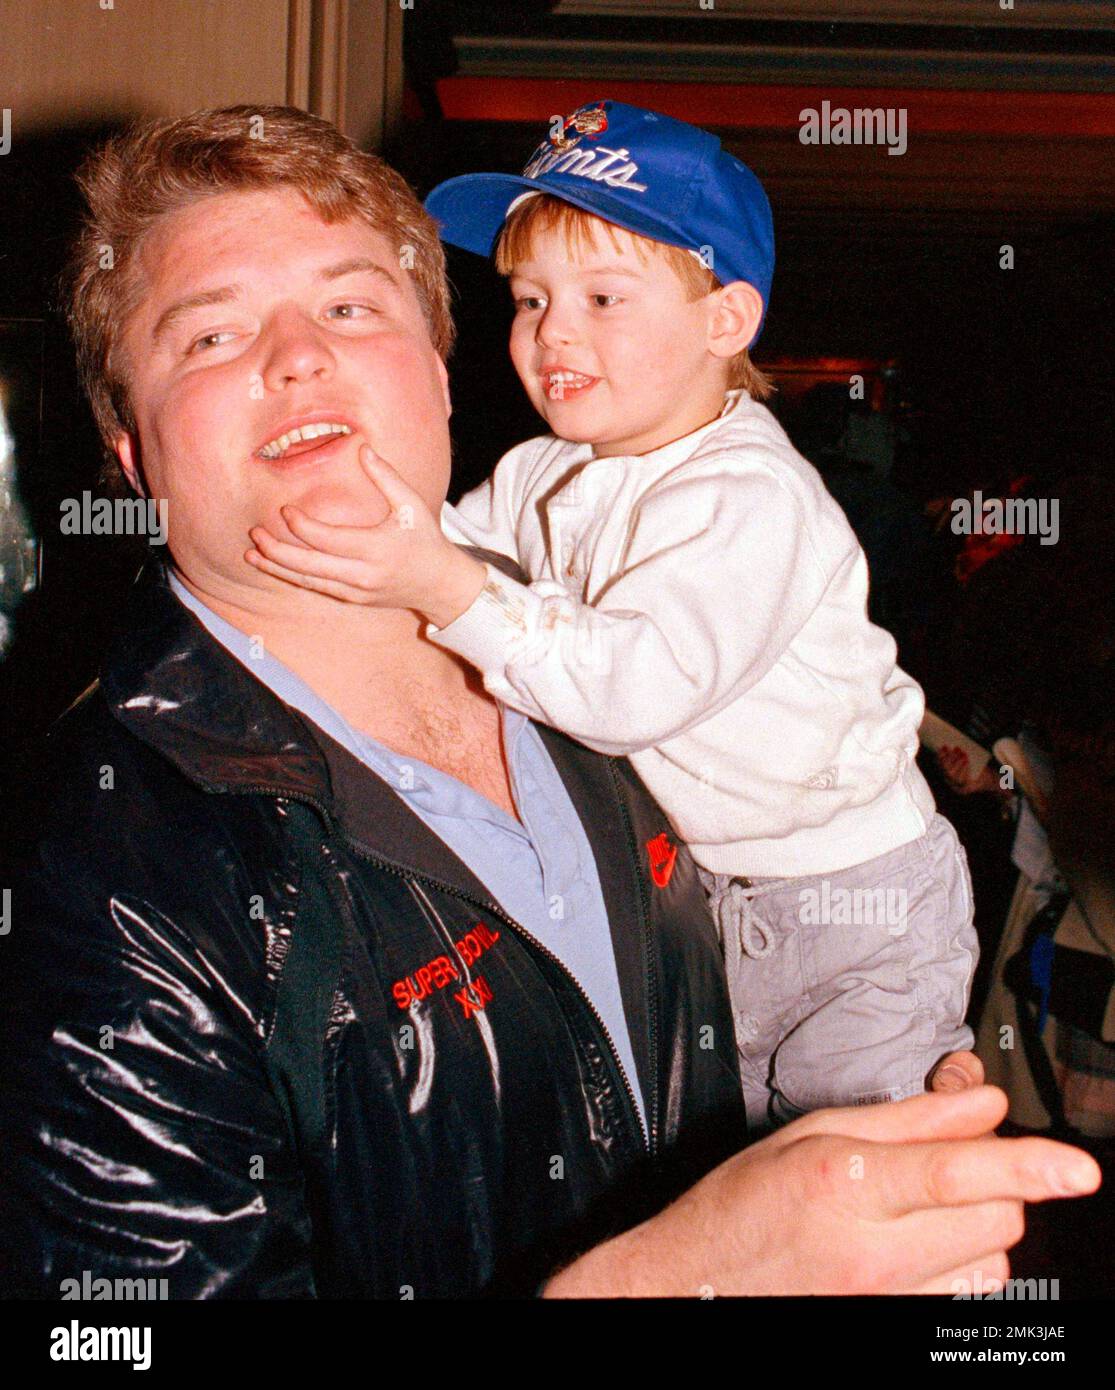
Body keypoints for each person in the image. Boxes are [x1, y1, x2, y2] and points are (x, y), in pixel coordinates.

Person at [0, 104, 1097, 1302]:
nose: (297, 356)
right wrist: (674, 1279)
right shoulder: (100, 876)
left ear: (432, 366)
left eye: (351, 306)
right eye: (208, 336)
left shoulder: (581, 621)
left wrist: (868, 1192)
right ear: (126, 449)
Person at [249, 100, 977, 1135]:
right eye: (529, 298)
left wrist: (442, 583)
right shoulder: (544, 473)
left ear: (723, 322)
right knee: (731, 1167)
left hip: (853, 905)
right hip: (714, 897)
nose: (553, 333)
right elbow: (444, 557)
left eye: (601, 296)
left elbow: (619, 686)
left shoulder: (746, 497)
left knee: (851, 1169)